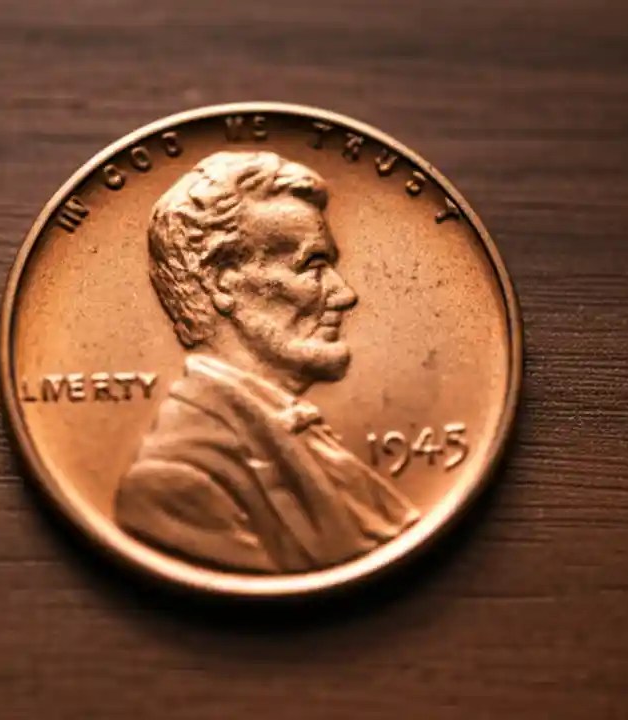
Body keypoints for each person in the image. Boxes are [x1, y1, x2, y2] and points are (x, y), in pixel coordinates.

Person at [115, 151, 419, 573]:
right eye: (313, 265)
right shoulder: (174, 481)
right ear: (221, 284)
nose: (344, 294)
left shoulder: (292, 434)